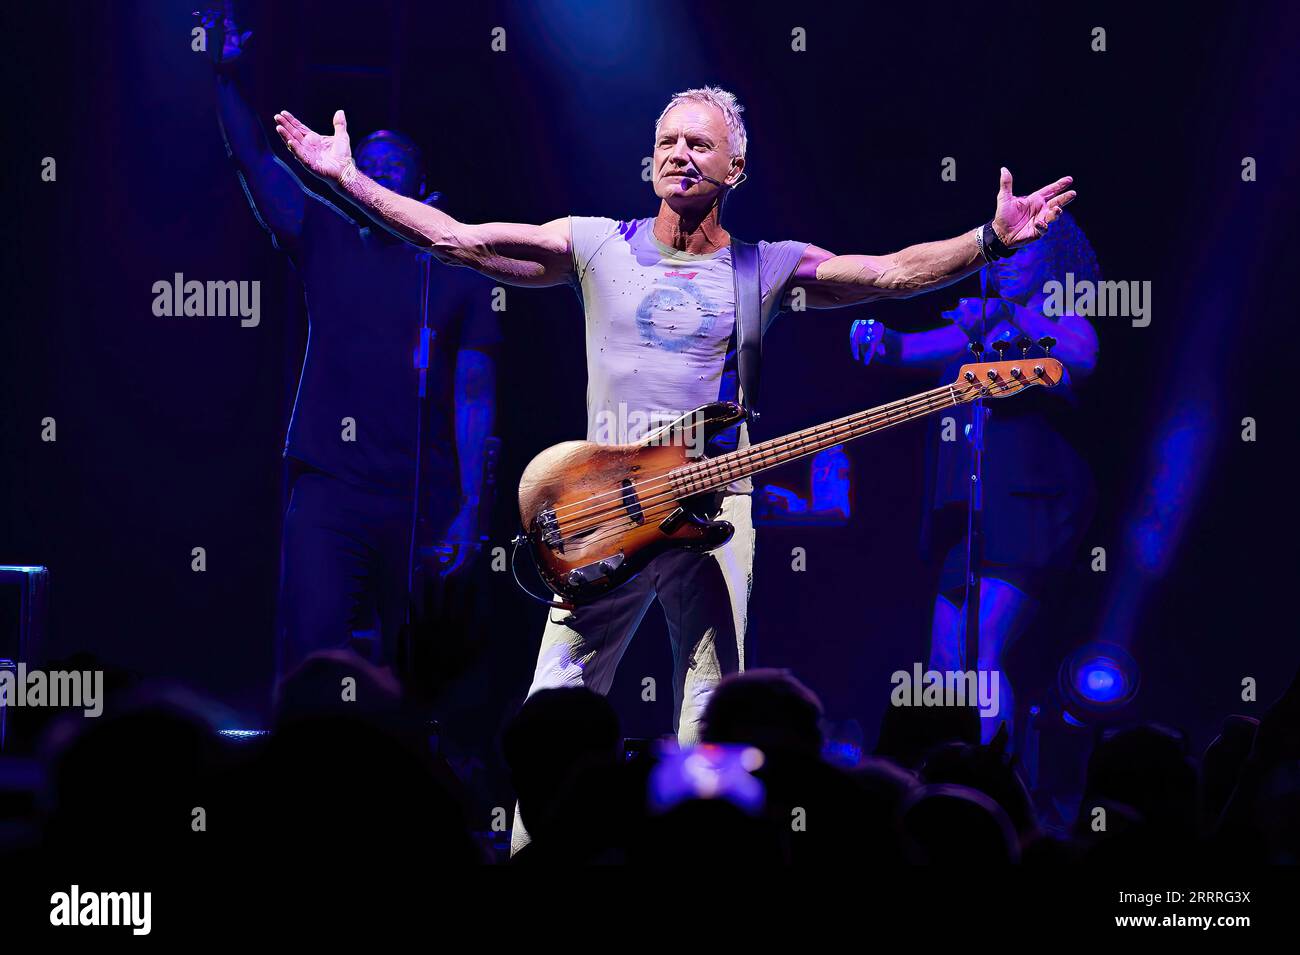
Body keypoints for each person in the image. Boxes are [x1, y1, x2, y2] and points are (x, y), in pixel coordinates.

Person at [269, 84, 1074, 845]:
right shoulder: (595, 243)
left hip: (717, 507)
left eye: (700, 142)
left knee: (713, 706)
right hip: (601, 508)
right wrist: (347, 183)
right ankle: (529, 855)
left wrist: (990, 240)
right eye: (667, 141)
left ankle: (700, 861)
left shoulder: (767, 264)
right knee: (558, 695)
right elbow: (458, 240)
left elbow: (889, 272)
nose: (680, 153)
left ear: (736, 168)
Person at [198, 7, 500, 692]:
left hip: (423, 494)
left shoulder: (458, 271)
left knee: (420, 670)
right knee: (313, 654)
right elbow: (254, 156)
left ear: (423, 190)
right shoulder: (326, 233)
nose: (382, 174)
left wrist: (469, 507)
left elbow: (476, 392)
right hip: (330, 486)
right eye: (370, 163)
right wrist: (225, 74)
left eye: (399, 169)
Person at [851, 212, 1100, 743]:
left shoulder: (1061, 318)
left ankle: (992, 784)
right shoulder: (979, 325)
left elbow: (1083, 355)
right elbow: (908, 349)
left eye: (1020, 252)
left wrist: (1009, 312)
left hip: (1032, 505)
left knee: (981, 655)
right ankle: (942, 782)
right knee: (943, 668)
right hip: (968, 512)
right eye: (999, 252)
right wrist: (875, 336)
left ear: (1050, 259)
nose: (1005, 264)